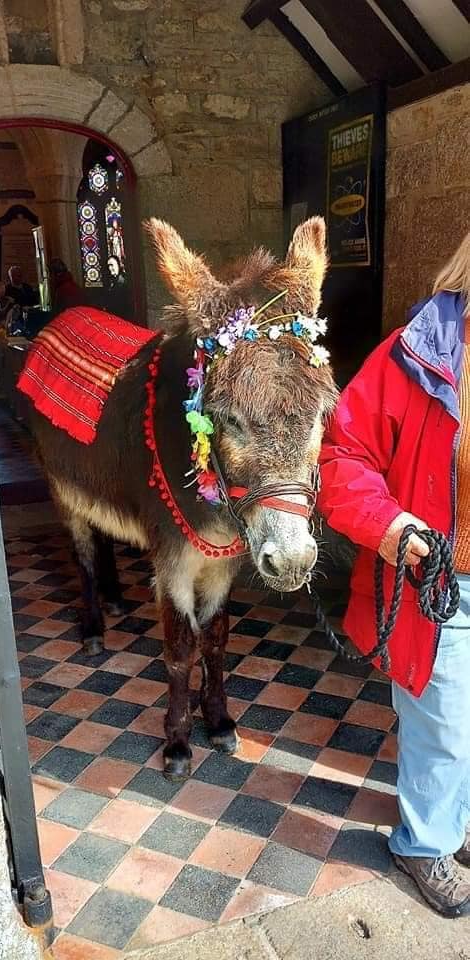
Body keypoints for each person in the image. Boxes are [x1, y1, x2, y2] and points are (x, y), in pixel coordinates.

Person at [318, 231, 470, 918]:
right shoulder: (419, 353)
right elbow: (344, 457)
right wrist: (390, 526)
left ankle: (456, 823)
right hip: (445, 581)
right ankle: (424, 841)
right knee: (444, 724)